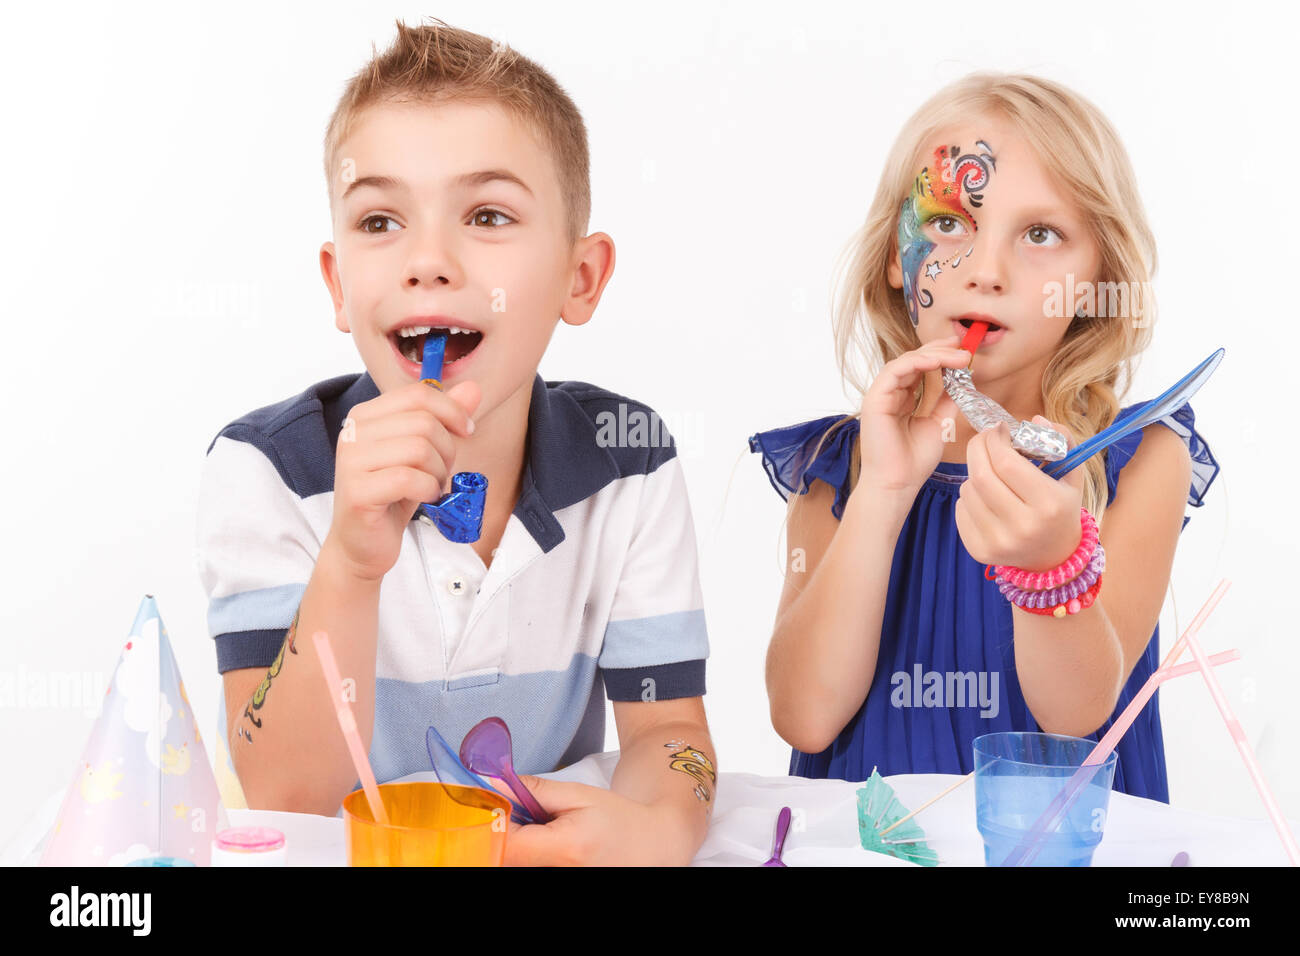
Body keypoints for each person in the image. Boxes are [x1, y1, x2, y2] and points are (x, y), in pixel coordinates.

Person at [196, 19, 716, 864]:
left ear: (578, 278)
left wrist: (662, 827)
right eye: (379, 222)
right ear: (338, 285)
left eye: (485, 214)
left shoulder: (632, 462)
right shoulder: (265, 473)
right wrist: (351, 563)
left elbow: (670, 729)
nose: (428, 260)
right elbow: (287, 797)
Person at [749, 72, 1219, 801]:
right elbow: (805, 716)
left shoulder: (1138, 460)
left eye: (1039, 235)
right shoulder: (836, 466)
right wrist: (882, 490)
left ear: (1098, 280)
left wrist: (1049, 565)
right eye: (947, 223)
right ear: (892, 256)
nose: (985, 271)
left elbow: (1073, 716)